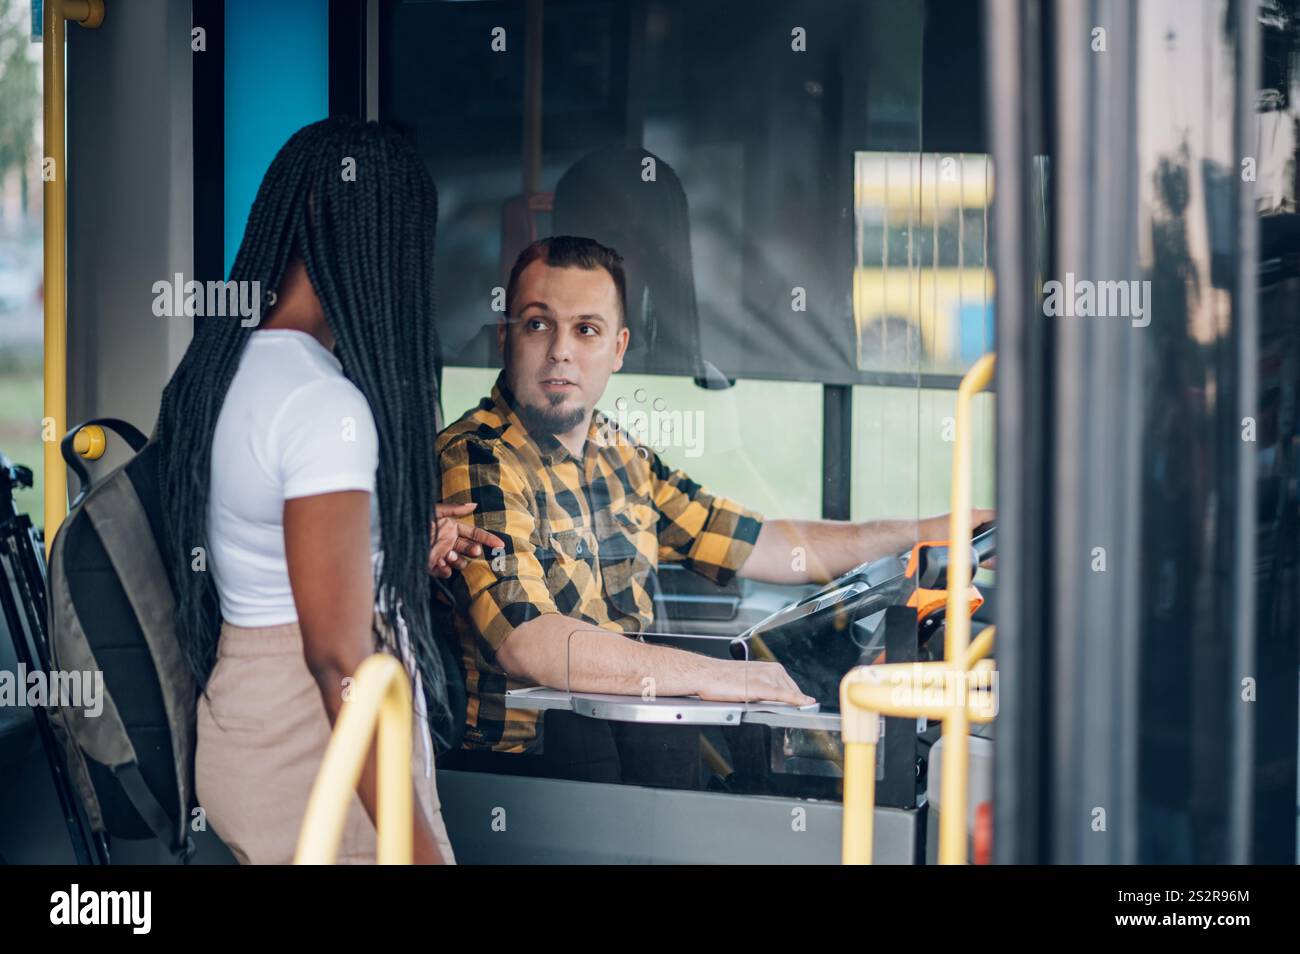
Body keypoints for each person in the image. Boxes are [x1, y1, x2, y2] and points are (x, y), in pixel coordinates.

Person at [437, 235, 992, 783]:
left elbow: (762, 544)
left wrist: (923, 531)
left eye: (586, 330)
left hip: (627, 748)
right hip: (526, 772)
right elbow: (528, 642)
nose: (560, 349)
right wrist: (717, 676)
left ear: (619, 348)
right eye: (538, 323)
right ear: (508, 337)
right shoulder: (478, 456)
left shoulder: (619, 455)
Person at [156, 117, 500, 864]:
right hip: (311, 751)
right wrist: (415, 848)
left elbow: (264, 541)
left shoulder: (226, 371)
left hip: (252, 716)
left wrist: (389, 538)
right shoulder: (324, 407)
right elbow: (338, 660)